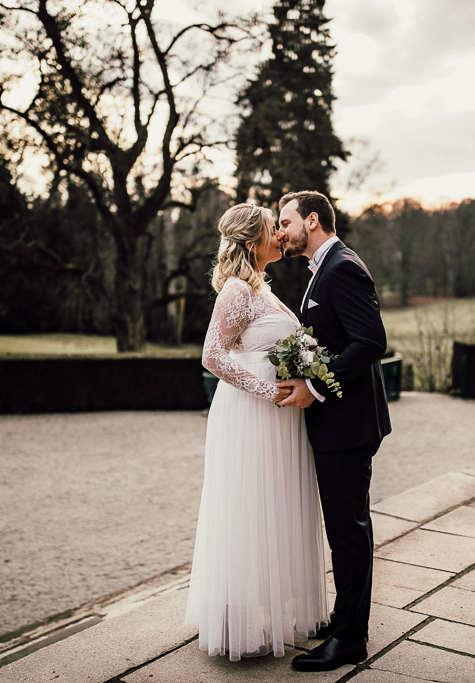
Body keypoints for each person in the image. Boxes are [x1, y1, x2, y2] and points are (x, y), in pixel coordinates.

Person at [185, 203, 329, 660]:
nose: (281, 235)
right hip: (251, 415)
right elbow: (213, 356)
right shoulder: (235, 290)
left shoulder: (261, 287)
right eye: (273, 229)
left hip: (278, 417)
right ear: (252, 243)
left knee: (275, 505)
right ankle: (236, 625)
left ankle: (267, 606)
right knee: (247, 506)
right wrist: (267, 391)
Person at [275, 190, 392, 672]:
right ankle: (345, 621)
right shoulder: (321, 267)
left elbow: (371, 343)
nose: (280, 231)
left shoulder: (341, 266)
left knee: (348, 532)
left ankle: (350, 639)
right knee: (345, 529)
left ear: (313, 220)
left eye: (285, 222)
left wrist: (315, 388)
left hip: (348, 425)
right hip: (339, 425)